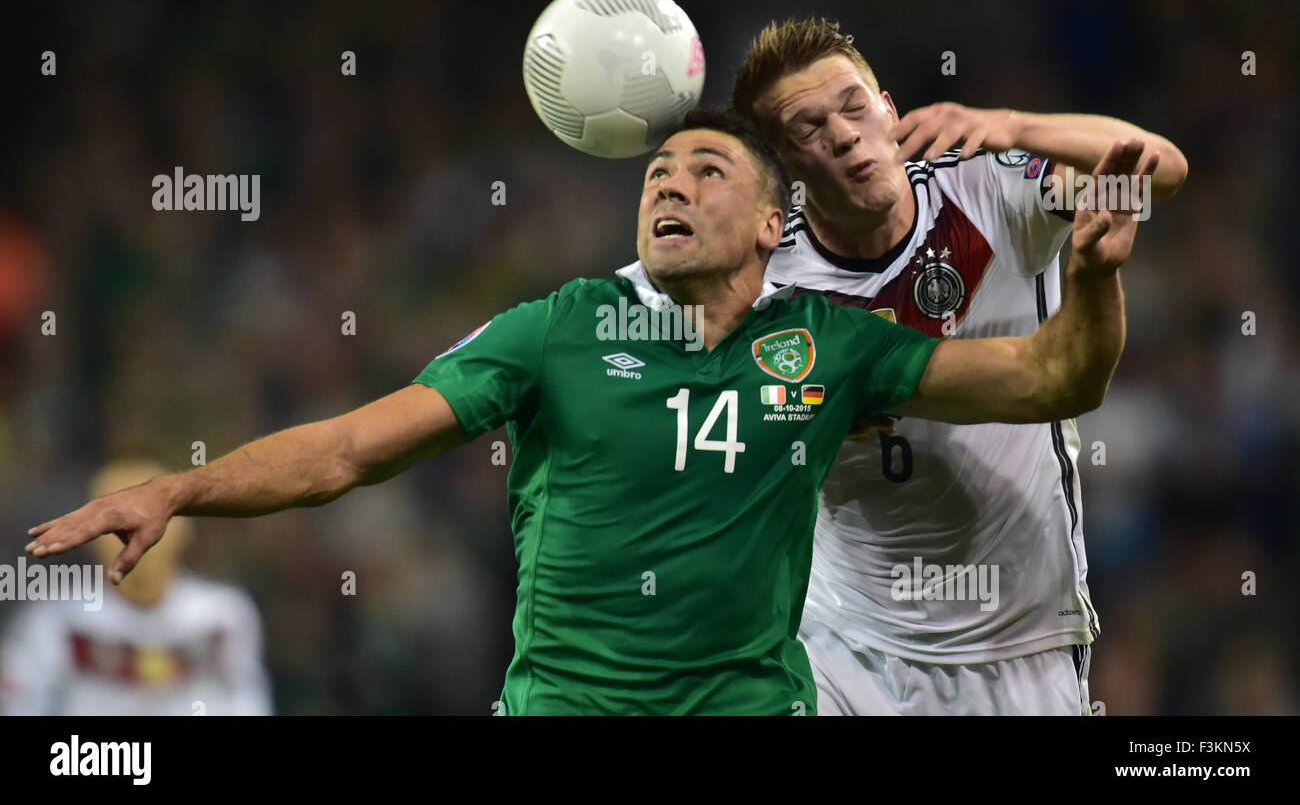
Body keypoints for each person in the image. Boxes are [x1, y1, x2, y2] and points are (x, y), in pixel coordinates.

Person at [25, 108, 1153, 715]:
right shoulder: (557, 329)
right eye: (657, 173)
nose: (669, 184)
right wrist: (180, 490)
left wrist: (1094, 275)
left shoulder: (832, 346)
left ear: (774, 229)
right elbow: (345, 453)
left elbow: (1053, 380)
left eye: (706, 171)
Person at [731, 17, 1187, 715]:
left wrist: (1011, 126)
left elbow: (1165, 172)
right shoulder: (763, 284)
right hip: (842, 638)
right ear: (780, 168)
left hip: (1019, 640)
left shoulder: (987, 186)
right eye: (808, 129)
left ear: (888, 110)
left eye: (854, 106)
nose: (844, 134)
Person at [2, 458, 272, 715]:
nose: (135, 539)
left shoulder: (222, 617)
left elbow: (248, 704)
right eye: (115, 526)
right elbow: (20, 707)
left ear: (184, 531)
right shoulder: (55, 621)